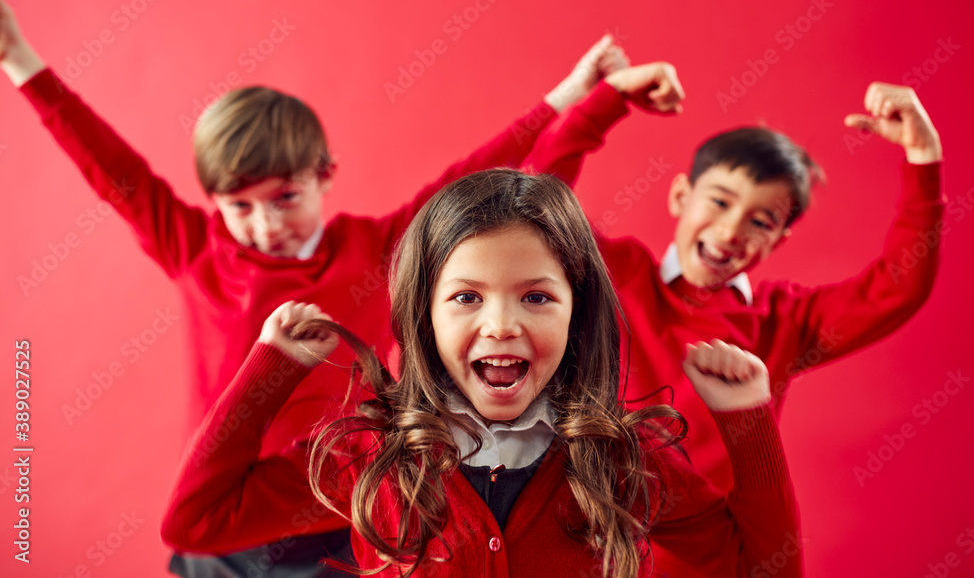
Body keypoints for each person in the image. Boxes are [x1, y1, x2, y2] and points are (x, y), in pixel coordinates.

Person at [0, 0, 627, 576]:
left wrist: (571, 93)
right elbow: (110, 166)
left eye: (285, 198)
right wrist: (20, 59)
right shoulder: (195, 249)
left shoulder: (376, 249)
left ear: (324, 175)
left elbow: (481, 175)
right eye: (239, 206)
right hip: (231, 525)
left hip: (343, 513)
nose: (265, 224)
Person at [161, 169, 802, 577]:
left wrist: (749, 419)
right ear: (423, 318)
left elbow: (765, 570)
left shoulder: (624, 461)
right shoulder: (369, 452)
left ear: (578, 314)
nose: (501, 326)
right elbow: (197, 522)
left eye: (537, 297)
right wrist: (267, 372)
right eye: (467, 298)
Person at [524, 64, 943, 575]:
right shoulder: (618, 277)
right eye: (720, 201)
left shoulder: (783, 321)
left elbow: (897, 287)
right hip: (590, 546)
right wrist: (608, 100)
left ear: (779, 240)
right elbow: (538, 200)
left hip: (707, 560)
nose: (729, 229)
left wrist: (924, 158)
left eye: (760, 221)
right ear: (681, 195)